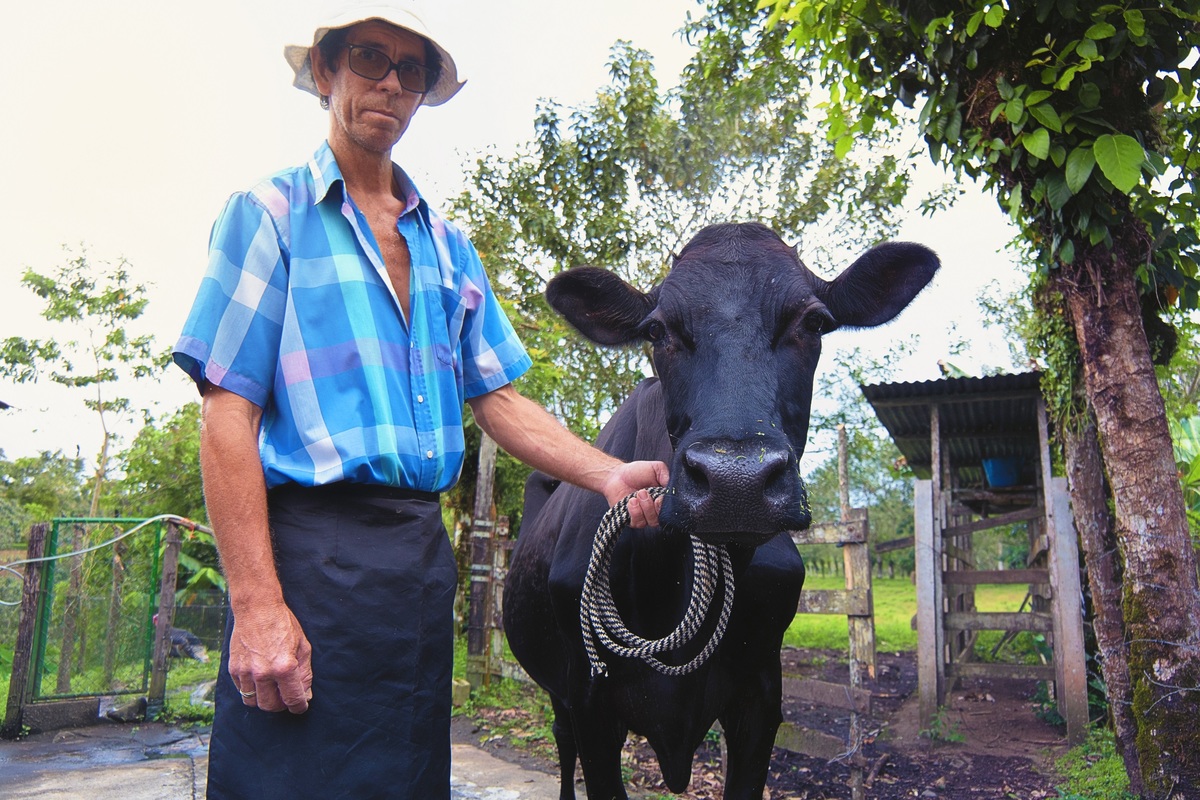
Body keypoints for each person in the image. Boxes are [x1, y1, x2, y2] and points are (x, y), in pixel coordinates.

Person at [172, 3, 668, 797]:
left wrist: (608, 473)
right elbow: (228, 412)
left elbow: (498, 399)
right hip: (307, 556)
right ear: (327, 70)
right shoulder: (271, 216)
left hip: (415, 567)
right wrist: (258, 605)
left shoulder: (448, 247)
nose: (392, 83)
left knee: (406, 780)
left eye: (412, 70)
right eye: (371, 58)